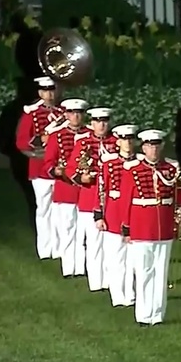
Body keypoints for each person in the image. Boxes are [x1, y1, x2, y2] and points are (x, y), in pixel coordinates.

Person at [119, 129, 181, 327]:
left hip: (163, 227)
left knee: (161, 271)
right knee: (144, 271)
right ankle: (143, 314)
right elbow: (125, 201)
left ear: (162, 146)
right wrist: (127, 228)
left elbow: (179, 195)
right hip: (141, 227)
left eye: (157, 145)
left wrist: (180, 216)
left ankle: (157, 314)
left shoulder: (171, 168)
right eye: (149, 146)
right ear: (143, 148)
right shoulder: (133, 169)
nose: (153, 149)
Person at [65, 106, 119, 292]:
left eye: (105, 121)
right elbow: (71, 169)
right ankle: (96, 282)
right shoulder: (83, 143)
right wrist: (82, 178)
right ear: (92, 123)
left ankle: (110, 280)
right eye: (98, 121)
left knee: (110, 244)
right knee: (94, 243)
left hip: (112, 201)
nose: (102, 125)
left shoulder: (117, 141)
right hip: (90, 197)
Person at [15, 76, 63, 260]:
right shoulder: (31, 114)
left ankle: (58, 248)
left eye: (52, 90)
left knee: (59, 209)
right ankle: (45, 248)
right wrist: (35, 154)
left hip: (59, 168)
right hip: (40, 168)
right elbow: (21, 141)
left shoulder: (61, 113)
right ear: (40, 93)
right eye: (46, 91)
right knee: (43, 208)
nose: (50, 94)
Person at [43, 98, 90, 278]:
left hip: (86, 189)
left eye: (79, 113)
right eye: (71, 113)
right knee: (68, 228)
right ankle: (69, 267)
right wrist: (55, 170)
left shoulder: (89, 134)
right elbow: (48, 162)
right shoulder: (58, 136)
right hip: (66, 188)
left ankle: (81, 267)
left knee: (83, 231)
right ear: (66, 115)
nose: (75, 116)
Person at [96, 124, 139, 307]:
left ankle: (131, 294)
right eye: (124, 139)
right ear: (118, 141)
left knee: (132, 259)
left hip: (134, 214)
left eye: (130, 139)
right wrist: (99, 215)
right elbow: (101, 188)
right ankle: (117, 295)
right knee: (115, 257)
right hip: (113, 212)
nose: (127, 143)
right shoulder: (109, 163)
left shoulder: (140, 162)